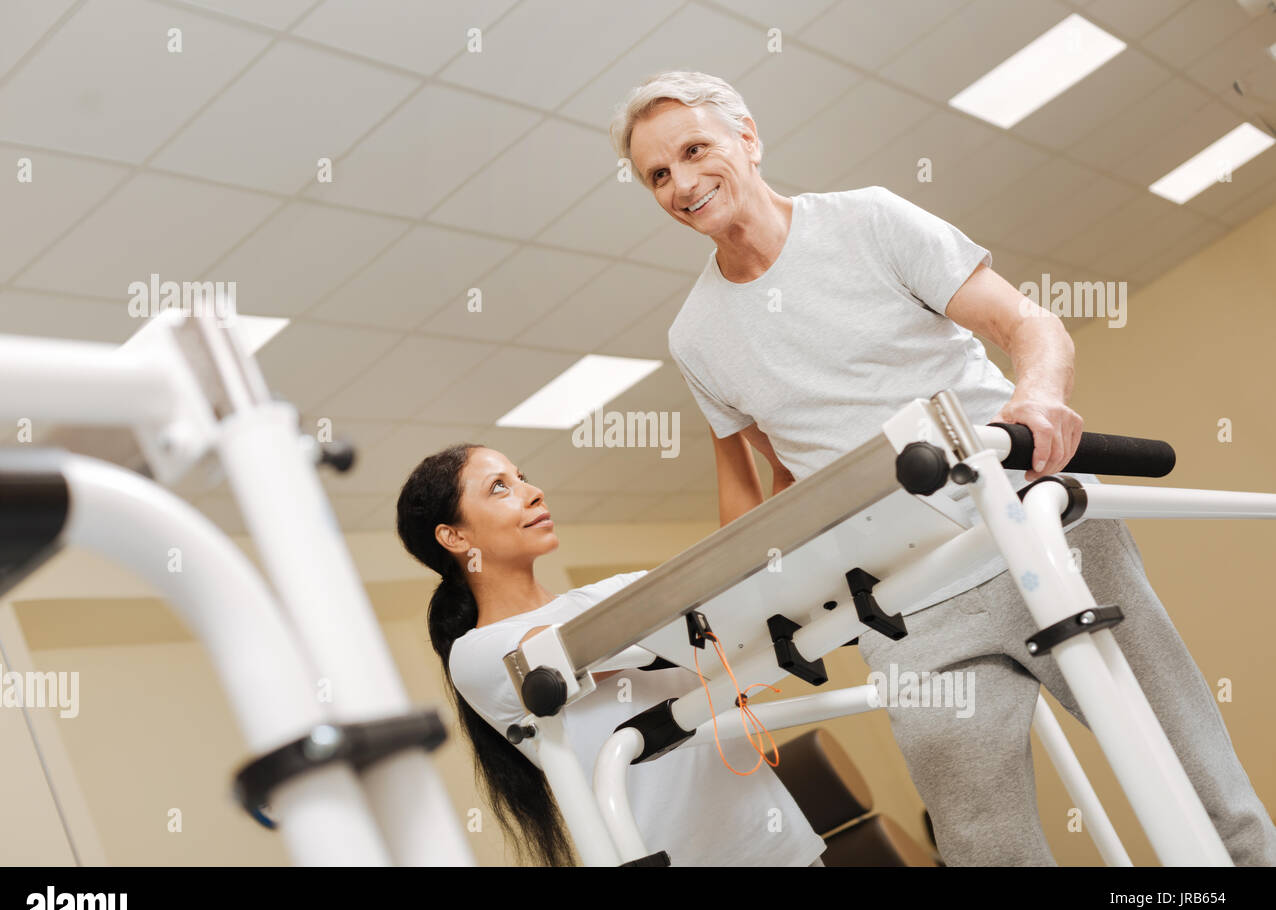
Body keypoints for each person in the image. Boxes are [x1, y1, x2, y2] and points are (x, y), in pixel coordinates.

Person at [608, 69, 1276, 865]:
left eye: (694, 150)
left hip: (1032, 532)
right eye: (657, 174)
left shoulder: (870, 220)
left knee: (1204, 795)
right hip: (905, 600)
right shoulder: (695, 338)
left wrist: (1037, 400)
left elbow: (1030, 325)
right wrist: (748, 608)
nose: (682, 182)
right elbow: (780, 484)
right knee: (982, 847)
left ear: (747, 139)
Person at [396, 442, 828, 866]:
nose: (533, 491)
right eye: (499, 487)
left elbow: (739, 575)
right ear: (454, 536)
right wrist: (712, 588)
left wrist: (724, 430)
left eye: (522, 477)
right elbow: (576, 648)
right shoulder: (478, 655)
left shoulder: (612, 594)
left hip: (783, 848)